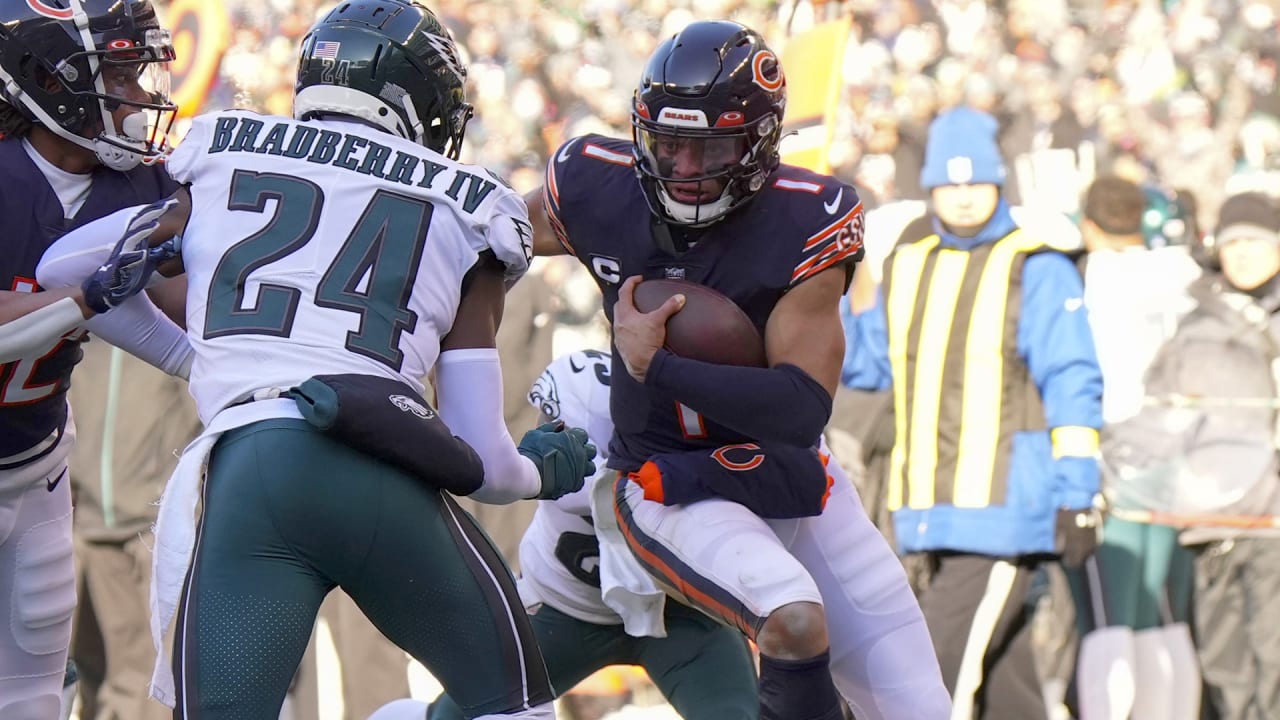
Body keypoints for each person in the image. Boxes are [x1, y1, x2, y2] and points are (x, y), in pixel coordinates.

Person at [46, 1, 597, 718]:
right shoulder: (474, 206)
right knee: (511, 705)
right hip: (379, 474)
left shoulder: (222, 149)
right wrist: (537, 471)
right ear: (415, 97)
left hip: (250, 472)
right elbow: (486, 466)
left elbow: (66, 270)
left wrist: (197, 361)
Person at [520, 20, 951, 720]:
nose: (685, 168)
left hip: (783, 471)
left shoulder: (806, 219)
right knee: (793, 618)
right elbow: (486, 236)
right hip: (670, 484)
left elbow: (799, 408)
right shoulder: (596, 186)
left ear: (758, 143)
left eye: (710, 146)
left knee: (918, 709)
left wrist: (654, 365)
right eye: (669, 145)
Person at [420, 345, 955, 720]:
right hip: (563, 615)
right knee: (456, 713)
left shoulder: (653, 451)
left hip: (683, 625)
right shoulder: (573, 459)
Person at [842, 106, 1104, 720]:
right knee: (1008, 695)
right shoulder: (907, 261)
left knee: (924, 686)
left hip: (1004, 511)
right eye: (949, 184)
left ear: (998, 182)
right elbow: (868, 366)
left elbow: (1073, 381)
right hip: (927, 509)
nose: (962, 197)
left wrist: (1079, 493)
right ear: (931, 186)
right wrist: (823, 292)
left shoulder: (1036, 266)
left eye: (975, 182)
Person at [0, 1, 181, 716]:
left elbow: (187, 302)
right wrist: (86, 297)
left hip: (39, 465)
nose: (141, 99)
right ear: (52, 81)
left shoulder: (140, 183)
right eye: (122, 75)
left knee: (33, 698)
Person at [1104, 191, 1280, 720]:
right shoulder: (1195, 322)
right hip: (1213, 519)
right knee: (1224, 667)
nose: (1244, 253)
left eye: (1256, 241)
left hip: (1275, 524)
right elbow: (1163, 413)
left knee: (1276, 660)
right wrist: (1114, 461)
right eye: (1234, 243)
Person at [67, 342, 201, 720]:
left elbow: (202, 413)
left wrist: (178, 501)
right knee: (112, 674)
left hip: (157, 532)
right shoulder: (82, 331)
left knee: (155, 682)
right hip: (93, 530)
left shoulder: (168, 325)